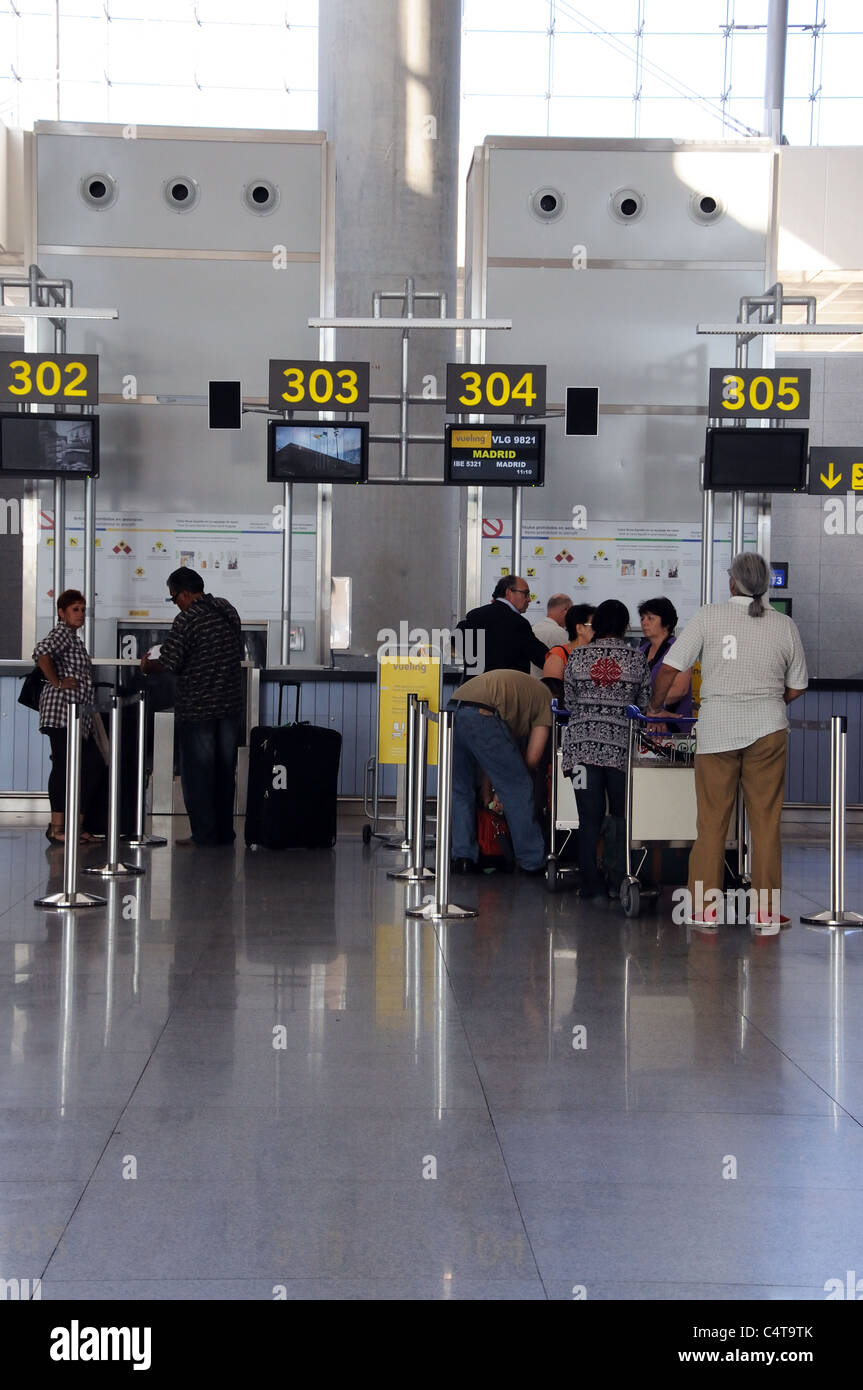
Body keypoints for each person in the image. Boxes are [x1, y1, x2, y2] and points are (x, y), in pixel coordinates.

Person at [651, 552, 807, 926]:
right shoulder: (784, 625)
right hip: (768, 731)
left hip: (717, 729)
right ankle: (766, 912)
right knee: (766, 824)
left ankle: (705, 910)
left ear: (733, 582)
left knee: (711, 823)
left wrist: (656, 706)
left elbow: (671, 667)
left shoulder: (709, 616)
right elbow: (798, 686)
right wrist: (769, 702)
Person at [141, 566, 244, 848]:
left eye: (174, 598)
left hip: (199, 708)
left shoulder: (187, 619)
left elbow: (170, 662)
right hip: (230, 706)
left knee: (199, 774)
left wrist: (148, 665)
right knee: (224, 773)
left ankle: (204, 835)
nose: (176, 603)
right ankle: (224, 833)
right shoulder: (227, 608)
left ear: (185, 594)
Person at [562, 599, 650, 898]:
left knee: (588, 817)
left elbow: (570, 702)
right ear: (625, 626)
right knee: (621, 815)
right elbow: (643, 705)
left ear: (596, 624)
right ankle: (620, 878)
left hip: (579, 750)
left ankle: (590, 884)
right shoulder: (637, 659)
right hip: (620, 751)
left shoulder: (577, 656)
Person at [448, 669, 552, 874]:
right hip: (483, 713)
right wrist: (505, 789)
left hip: (454, 707)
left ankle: (463, 857)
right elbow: (532, 758)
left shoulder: (522, 692)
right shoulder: (546, 700)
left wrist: (489, 789)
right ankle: (532, 862)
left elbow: (493, 756)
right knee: (519, 787)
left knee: (461, 789)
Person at [33, 589, 103, 843]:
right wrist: (58, 682)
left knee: (90, 765)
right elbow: (41, 652)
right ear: (62, 612)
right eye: (75, 609)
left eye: (83, 609)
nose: (81, 614)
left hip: (77, 714)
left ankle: (75, 826)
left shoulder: (73, 638)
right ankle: (57, 827)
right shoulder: (61, 632)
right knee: (64, 766)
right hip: (61, 711)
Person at [456, 575, 549, 676]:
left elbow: (455, 639)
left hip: (474, 687)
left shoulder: (474, 615)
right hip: (505, 688)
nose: (529, 599)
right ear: (508, 592)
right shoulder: (518, 623)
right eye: (526, 594)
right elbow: (540, 656)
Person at [637, 597, 693, 730]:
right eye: (642, 618)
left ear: (666, 622)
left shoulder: (678, 647)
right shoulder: (642, 650)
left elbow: (679, 690)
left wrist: (650, 706)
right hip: (644, 722)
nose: (644, 622)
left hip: (672, 726)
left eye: (650, 618)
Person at [542, 603, 595, 692]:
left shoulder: (597, 653)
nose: (599, 629)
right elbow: (552, 693)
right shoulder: (558, 655)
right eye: (594, 625)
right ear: (579, 628)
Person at [530, 593, 573, 676]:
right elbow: (569, 665)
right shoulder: (559, 632)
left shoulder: (532, 628)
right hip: (550, 685)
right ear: (565, 611)